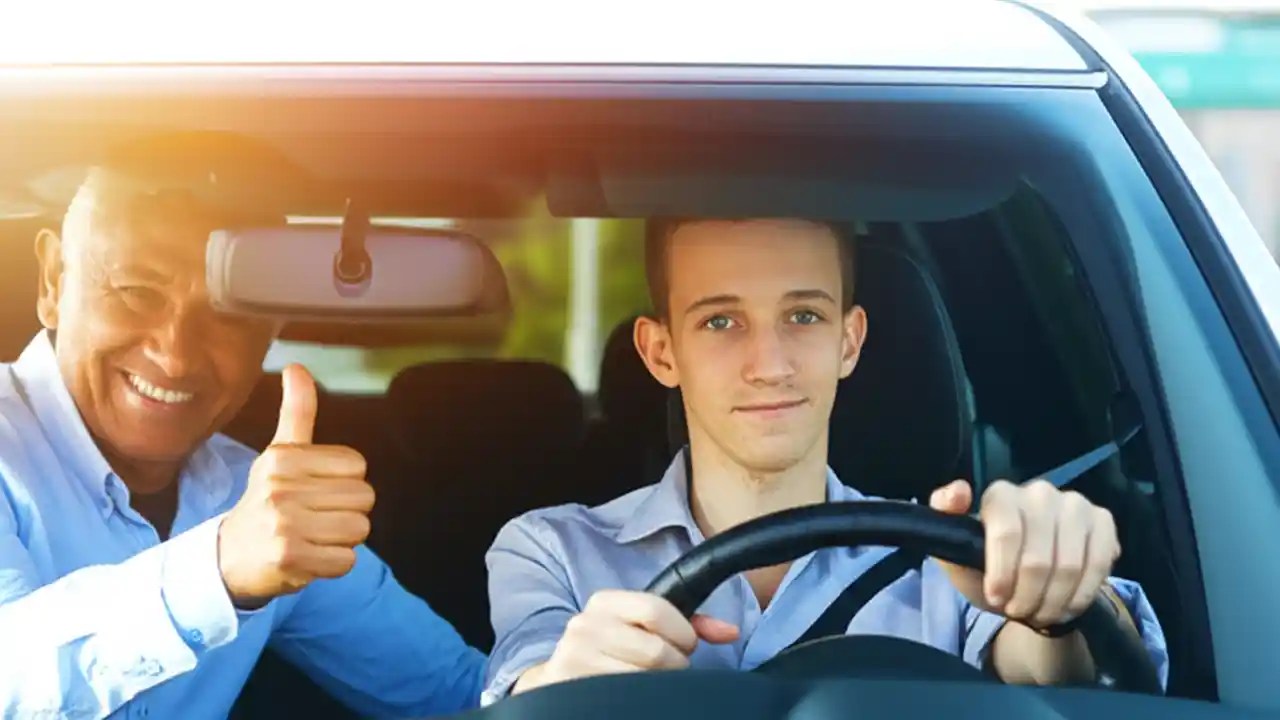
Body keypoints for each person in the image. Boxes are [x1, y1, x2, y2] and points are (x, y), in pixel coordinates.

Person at [482, 218, 1168, 704]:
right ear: (662, 353)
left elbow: (1057, 674)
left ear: (850, 340)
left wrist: (1058, 593)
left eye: (803, 316)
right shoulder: (554, 549)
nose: (769, 365)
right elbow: (523, 683)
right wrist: (565, 687)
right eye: (720, 321)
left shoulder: (951, 563)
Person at [0, 167, 484, 719]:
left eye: (226, 311)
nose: (176, 355)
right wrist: (217, 571)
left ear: (272, 326)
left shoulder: (255, 499)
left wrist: (565, 663)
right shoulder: (249, 529)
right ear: (53, 282)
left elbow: (458, 693)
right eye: (136, 293)